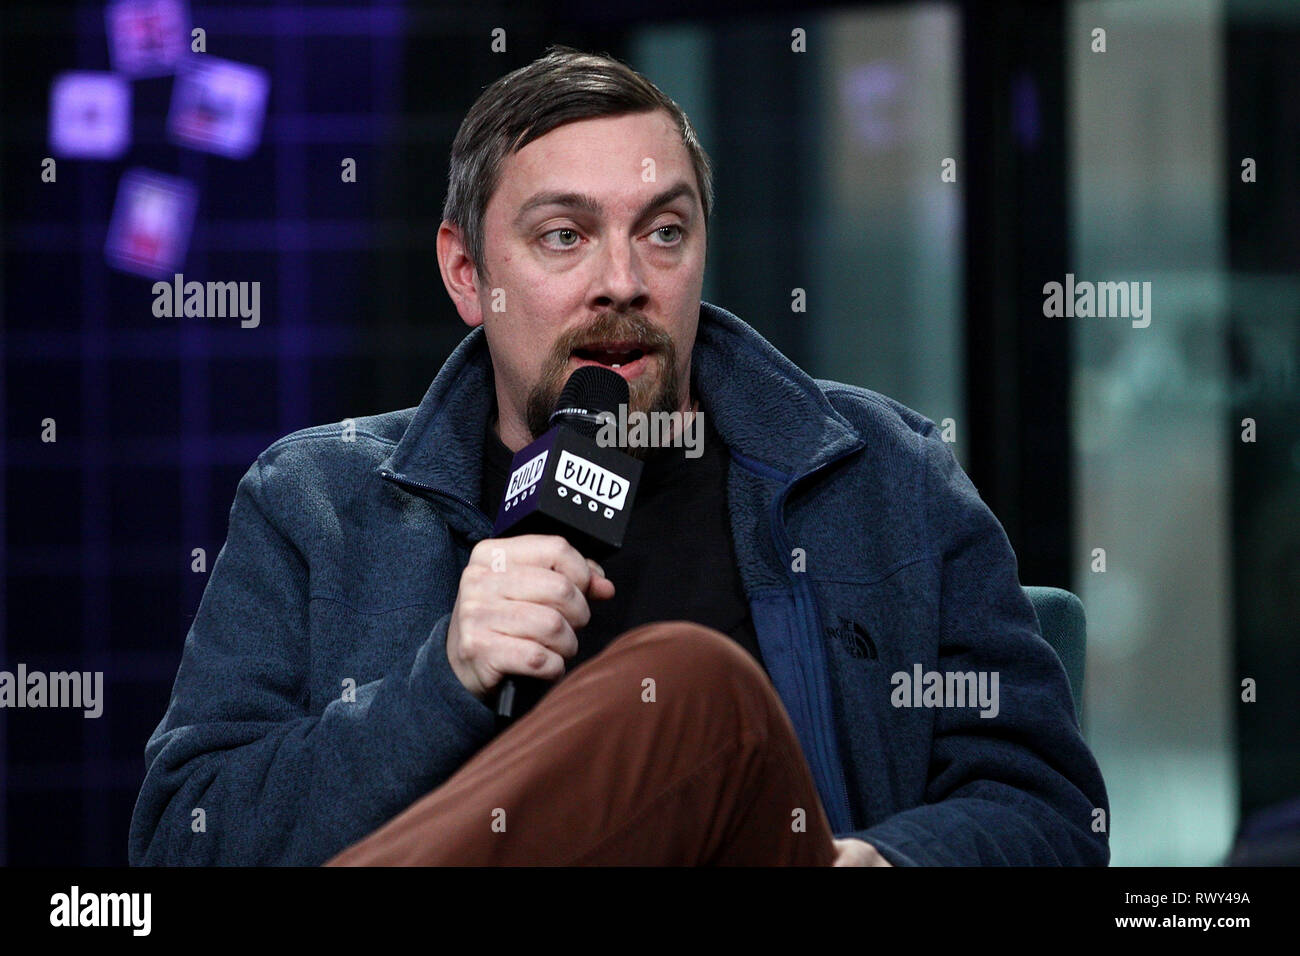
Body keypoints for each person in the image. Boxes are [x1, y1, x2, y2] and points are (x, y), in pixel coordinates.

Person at [128, 46, 1109, 867]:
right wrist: (444, 682)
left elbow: (1049, 809)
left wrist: (885, 859)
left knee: (692, 687)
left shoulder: (880, 475)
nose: (622, 282)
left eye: (664, 233)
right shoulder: (319, 501)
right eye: (564, 236)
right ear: (467, 274)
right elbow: (185, 835)